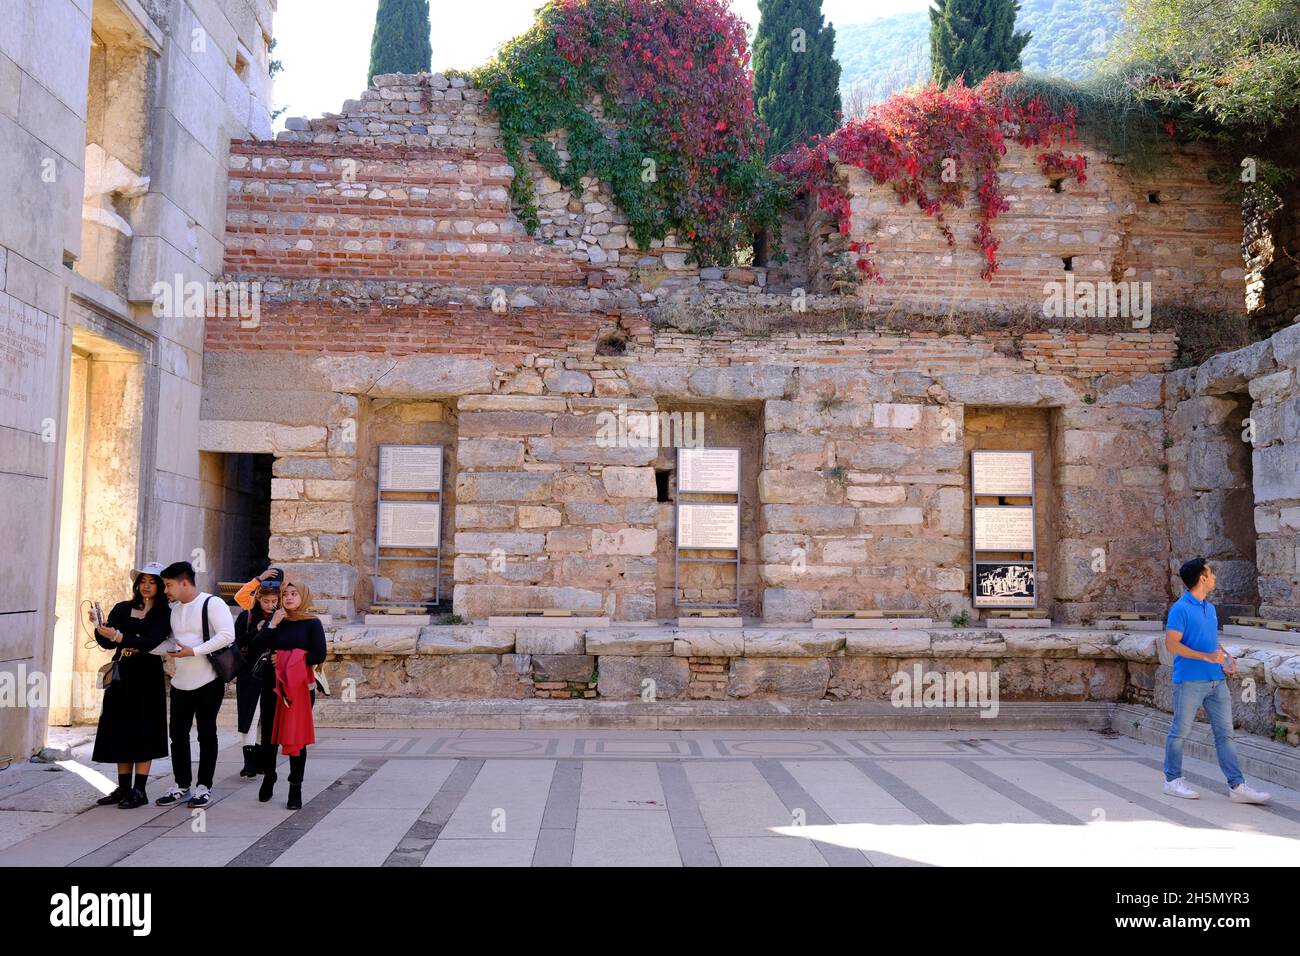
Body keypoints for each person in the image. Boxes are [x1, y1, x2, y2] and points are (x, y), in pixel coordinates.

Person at [1162, 557, 1271, 804]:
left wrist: (1226, 658)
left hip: (1216, 681)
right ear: (1202, 577)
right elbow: (1171, 645)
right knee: (1180, 732)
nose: (1214, 577)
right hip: (1189, 681)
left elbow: (1212, 642)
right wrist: (1205, 656)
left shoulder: (1209, 608)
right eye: (1210, 573)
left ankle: (1237, 786)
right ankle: (1172, 781)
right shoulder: (1180, 609)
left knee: (1226, 735)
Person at [89, 563, 172, 809]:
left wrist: (119, 636)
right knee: (119, 725)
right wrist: (99, 627)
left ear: (160, 586)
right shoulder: (123, 608)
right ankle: (123, 786)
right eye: (143, 581)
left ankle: (140, 789)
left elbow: (150, 641)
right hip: (122, 669)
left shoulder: (163, 613)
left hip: (147, 672)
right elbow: (107, 644)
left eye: (152, 581)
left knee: (144, 726)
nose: (146, 586)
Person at [154, 561, 236, 809]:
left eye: (168, 585)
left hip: (208, 681)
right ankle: (181, 785)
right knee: (177, 736)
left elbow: (227, 635)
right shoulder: (175, 610)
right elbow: (173, 640)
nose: (165, 590)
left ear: (184, 583)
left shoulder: (212, 603)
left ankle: (204, 787)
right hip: (180, 682)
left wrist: (194, 651)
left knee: (206, 734)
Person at [248, 581, 326, 810]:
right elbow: (256, 647)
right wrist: (271, 625)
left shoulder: (311, 623)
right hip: (273, 687)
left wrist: (284, 658)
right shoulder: (276, 620)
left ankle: (295, 787)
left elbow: (319, 654)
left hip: (299, 689)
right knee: (270, 736)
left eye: (294, 593)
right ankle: (269, 776)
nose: (289, 597)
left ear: (303, 596)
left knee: (296, 737)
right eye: (285, 594)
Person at [232, 567, 284, 778]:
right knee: (249, 716)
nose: (270, 606)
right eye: (266, 602)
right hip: (250, 672)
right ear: (259, 599)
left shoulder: (282, 616)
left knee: (268, 717)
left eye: (274, 601)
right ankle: (249, 762)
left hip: (272, 672)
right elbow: (238, 642)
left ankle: (264, 759)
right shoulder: (248, 616)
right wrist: (258, 629)